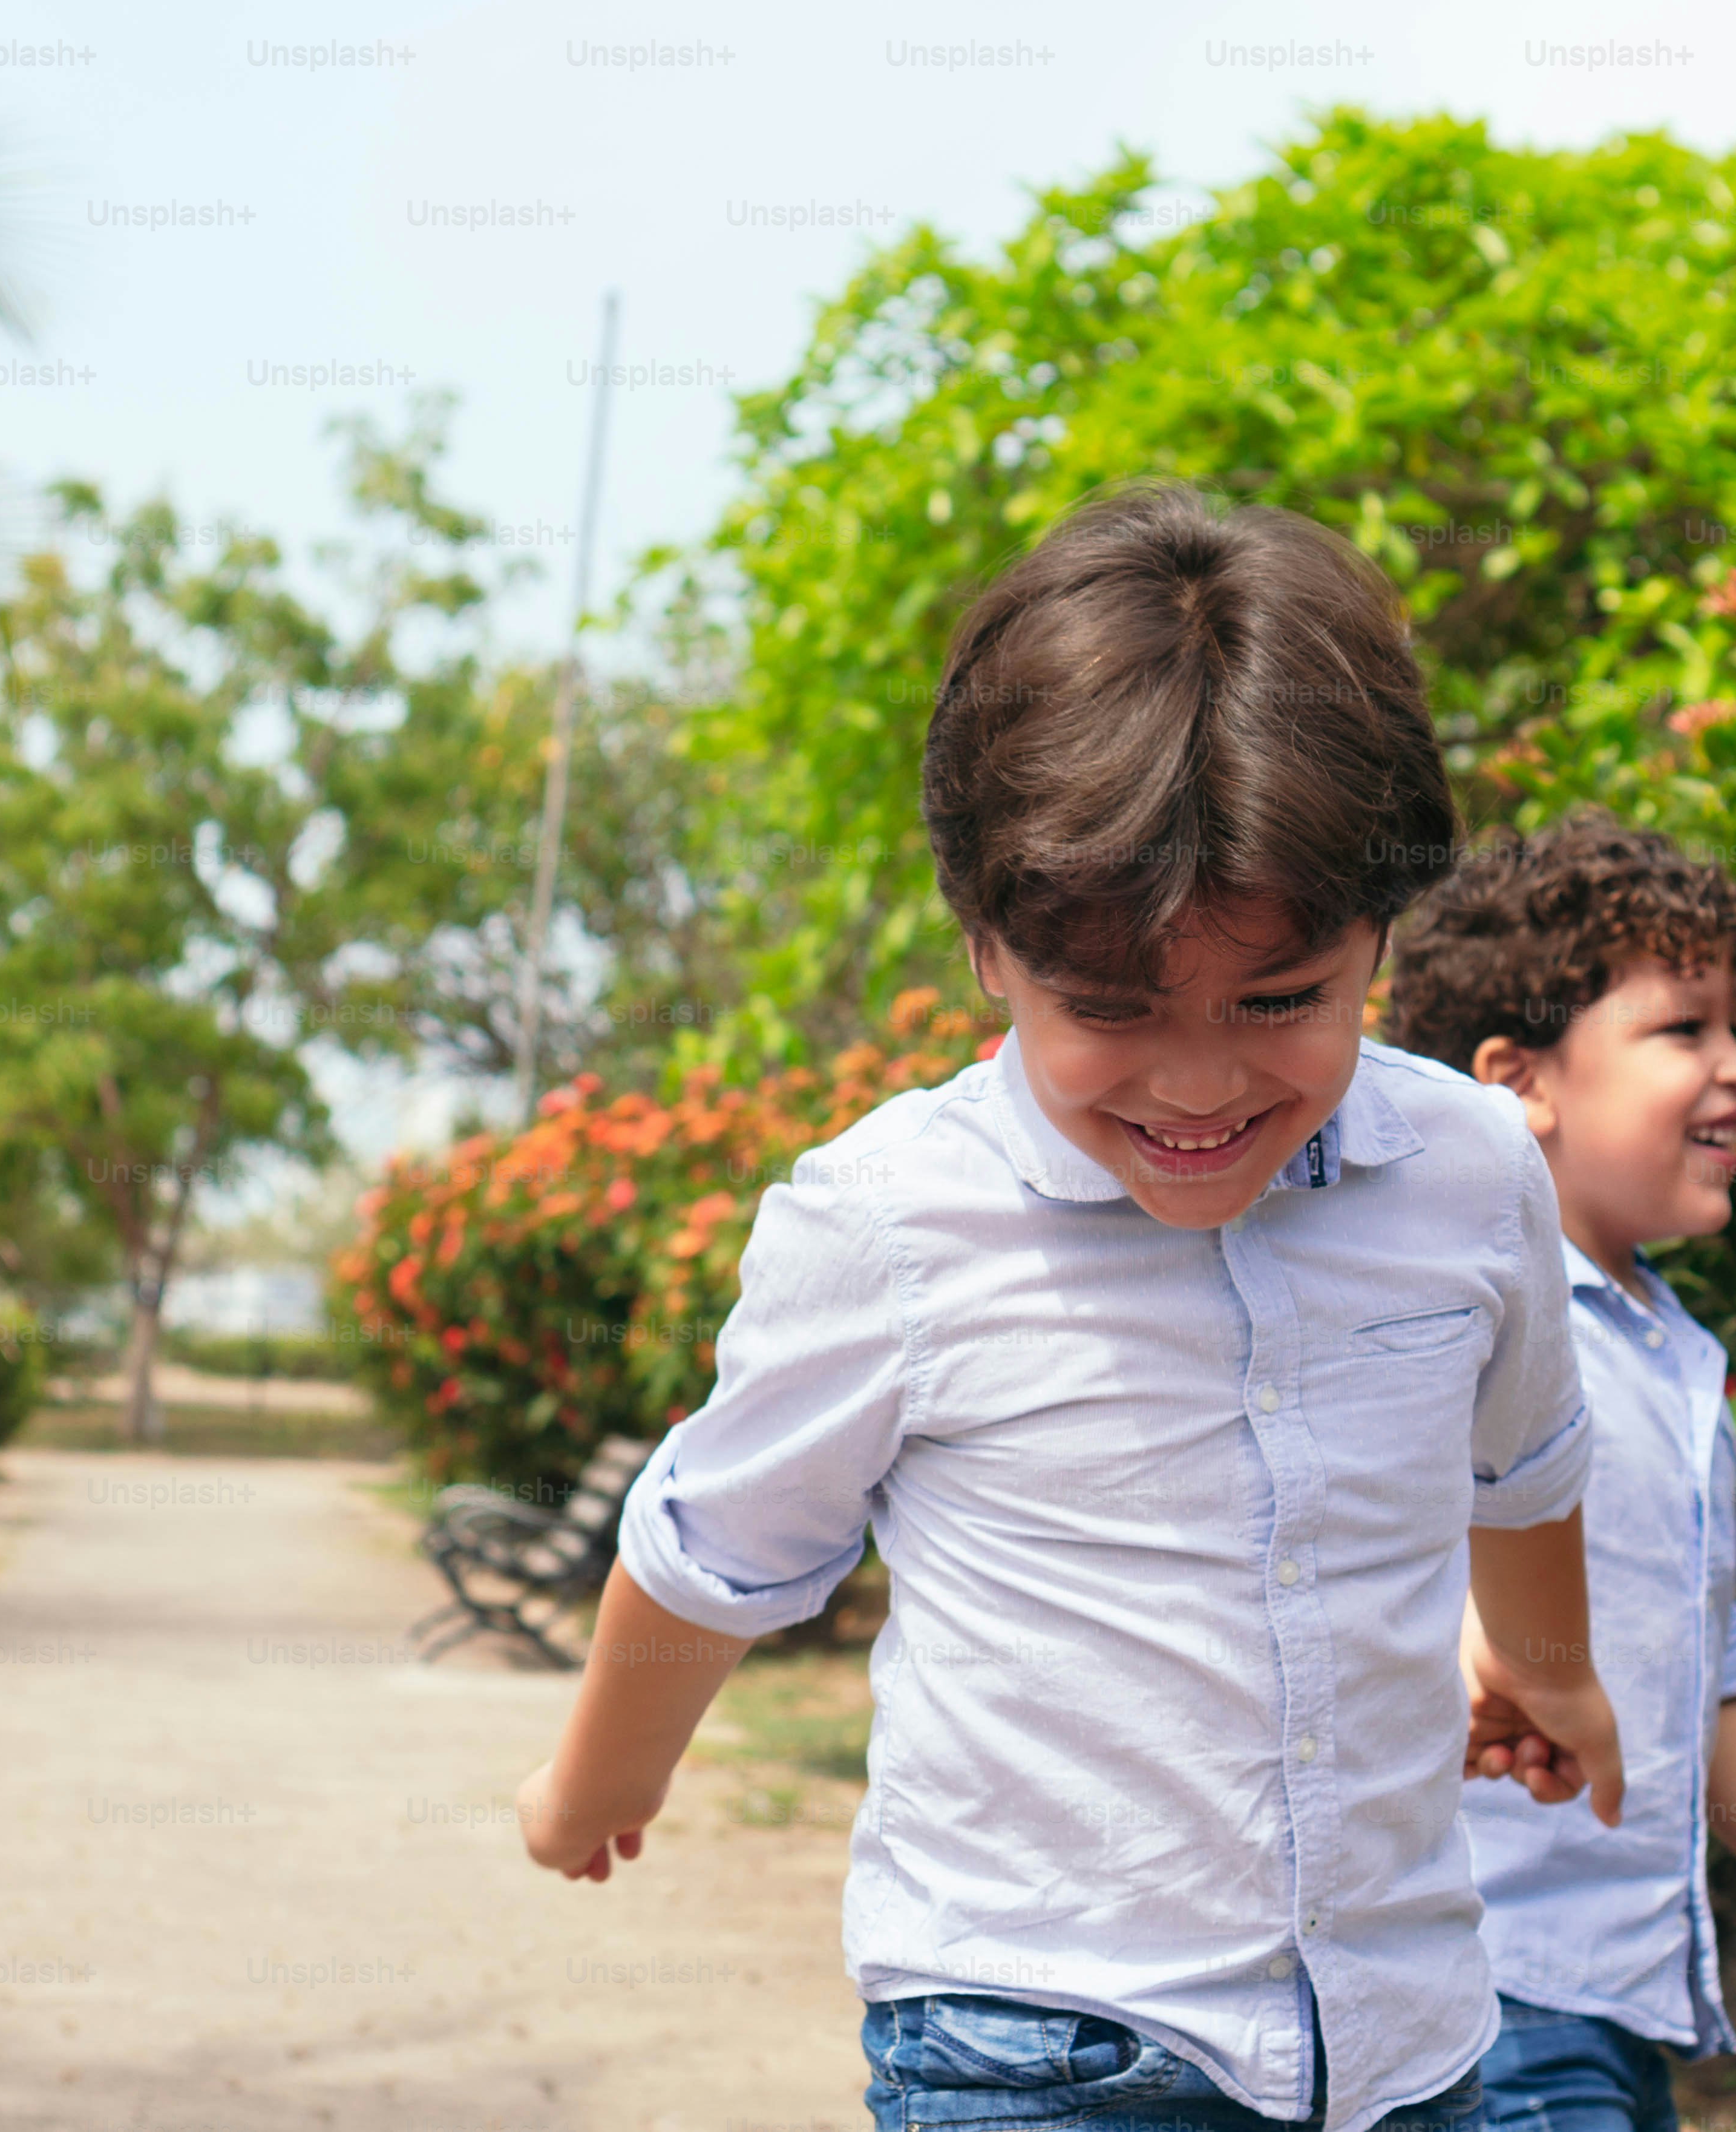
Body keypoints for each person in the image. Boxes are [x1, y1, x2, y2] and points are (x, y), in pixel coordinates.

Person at [511, 482, 1625, 2132]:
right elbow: (713, 1548)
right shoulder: (893, 1222)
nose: (1197, 1081)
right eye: (1105, 1007)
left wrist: (1554, 1673)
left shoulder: (1467, 1170)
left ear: (1377, 935)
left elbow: (1519, 1464)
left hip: (1398, 2037)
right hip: (1035, 2040)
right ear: (983, 943)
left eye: (1281, 999)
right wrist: (592, 1782)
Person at [1384, 814, 1736, 2132]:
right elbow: (1362, 1539)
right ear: (1519, 1082)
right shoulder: (1446, 1316)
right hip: (1480, 1989)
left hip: (1620, 1995)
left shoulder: (1669, 1351)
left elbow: (1706, 1655)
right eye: (1683, 1030)